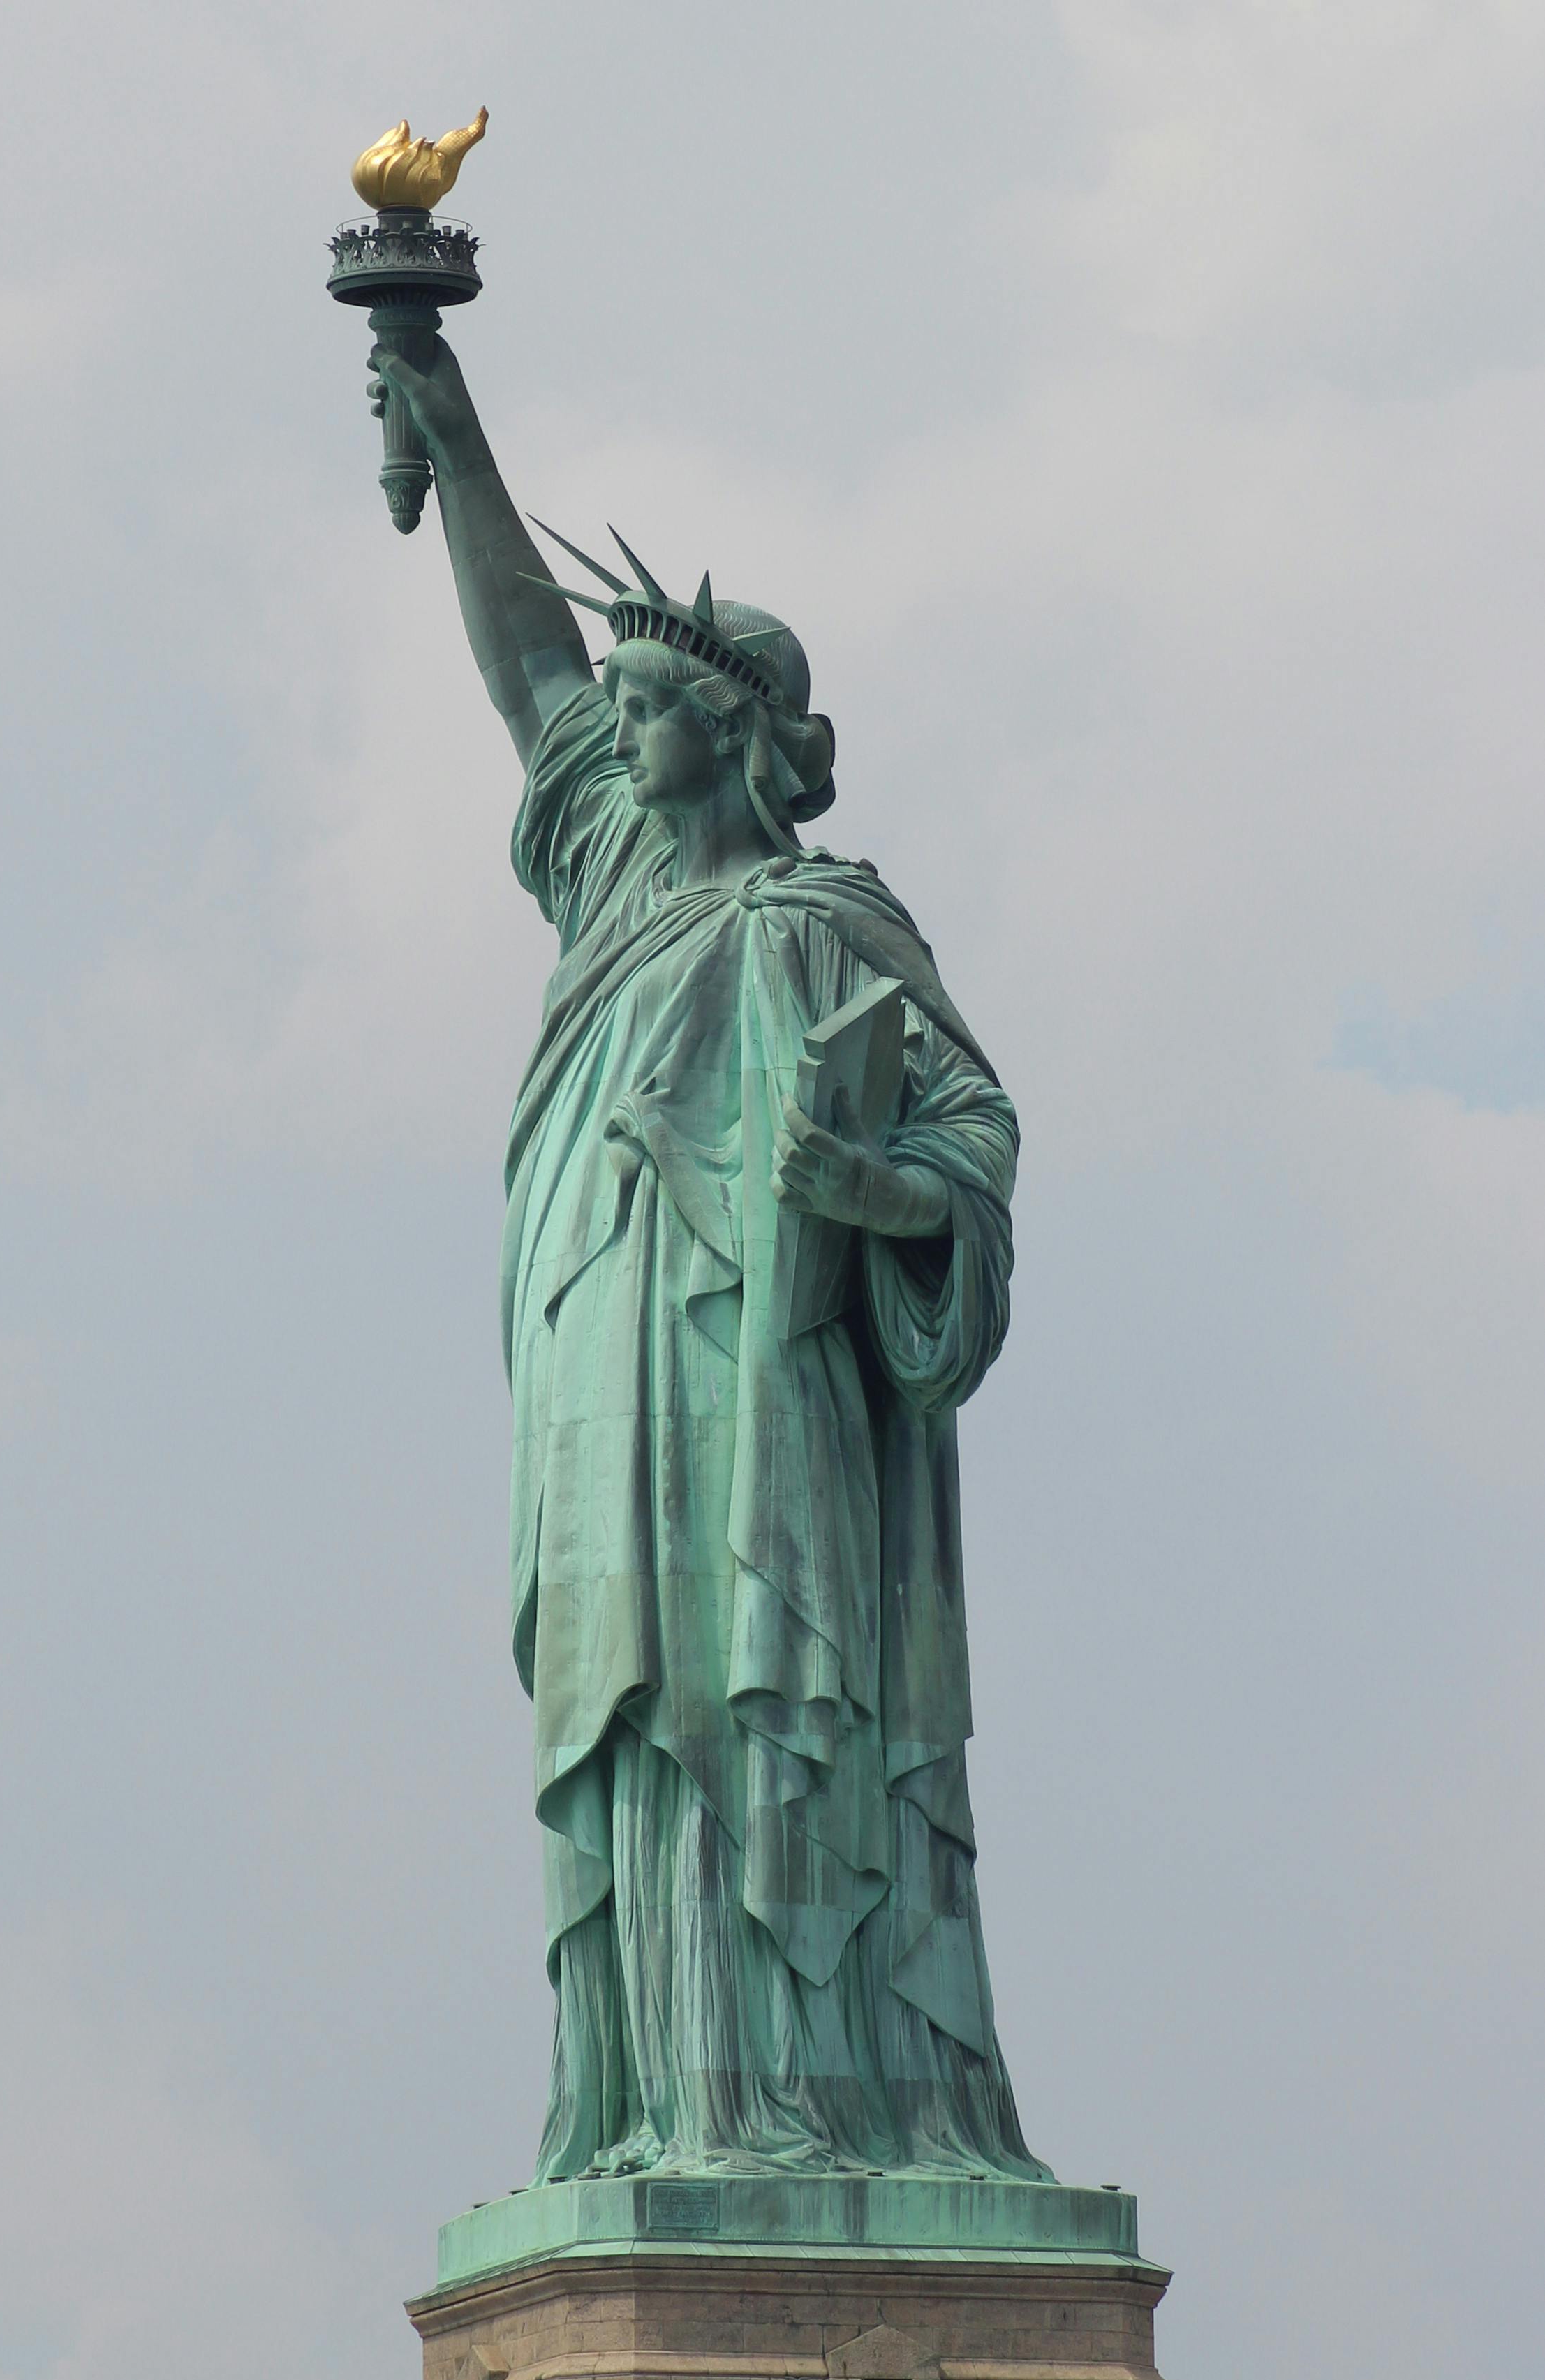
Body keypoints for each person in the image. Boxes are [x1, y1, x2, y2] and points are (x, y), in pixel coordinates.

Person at [368, 333, 1050, 2184]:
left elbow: (974, 1148)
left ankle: (800, 2103)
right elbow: (525, 663)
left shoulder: (834, 922)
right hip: (600, 1373)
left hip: (767, 1378)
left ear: (737, 730)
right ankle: (655, 2101)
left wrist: (872, 1185)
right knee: (622, 1716)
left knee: (762, 1697)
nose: (619, 720)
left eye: (653, 700)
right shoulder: (608, 876)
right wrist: (442, 399)